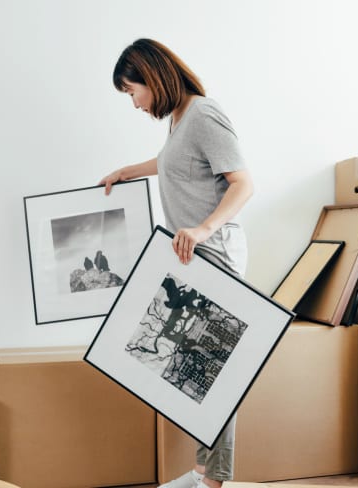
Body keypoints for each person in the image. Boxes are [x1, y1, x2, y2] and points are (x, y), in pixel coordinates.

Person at [98, 38, 253, 488]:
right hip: (193, 258)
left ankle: (211, 482)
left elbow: (243, 184)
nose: (134, 103)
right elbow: (174, 164)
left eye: (132, 92)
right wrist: (127, 171)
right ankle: (203, 473)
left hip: (214, 255)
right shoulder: (181, 122)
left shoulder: (204, 113)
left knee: (212, 372)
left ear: (153, 77)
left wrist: (203, 229)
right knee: (190, 368)